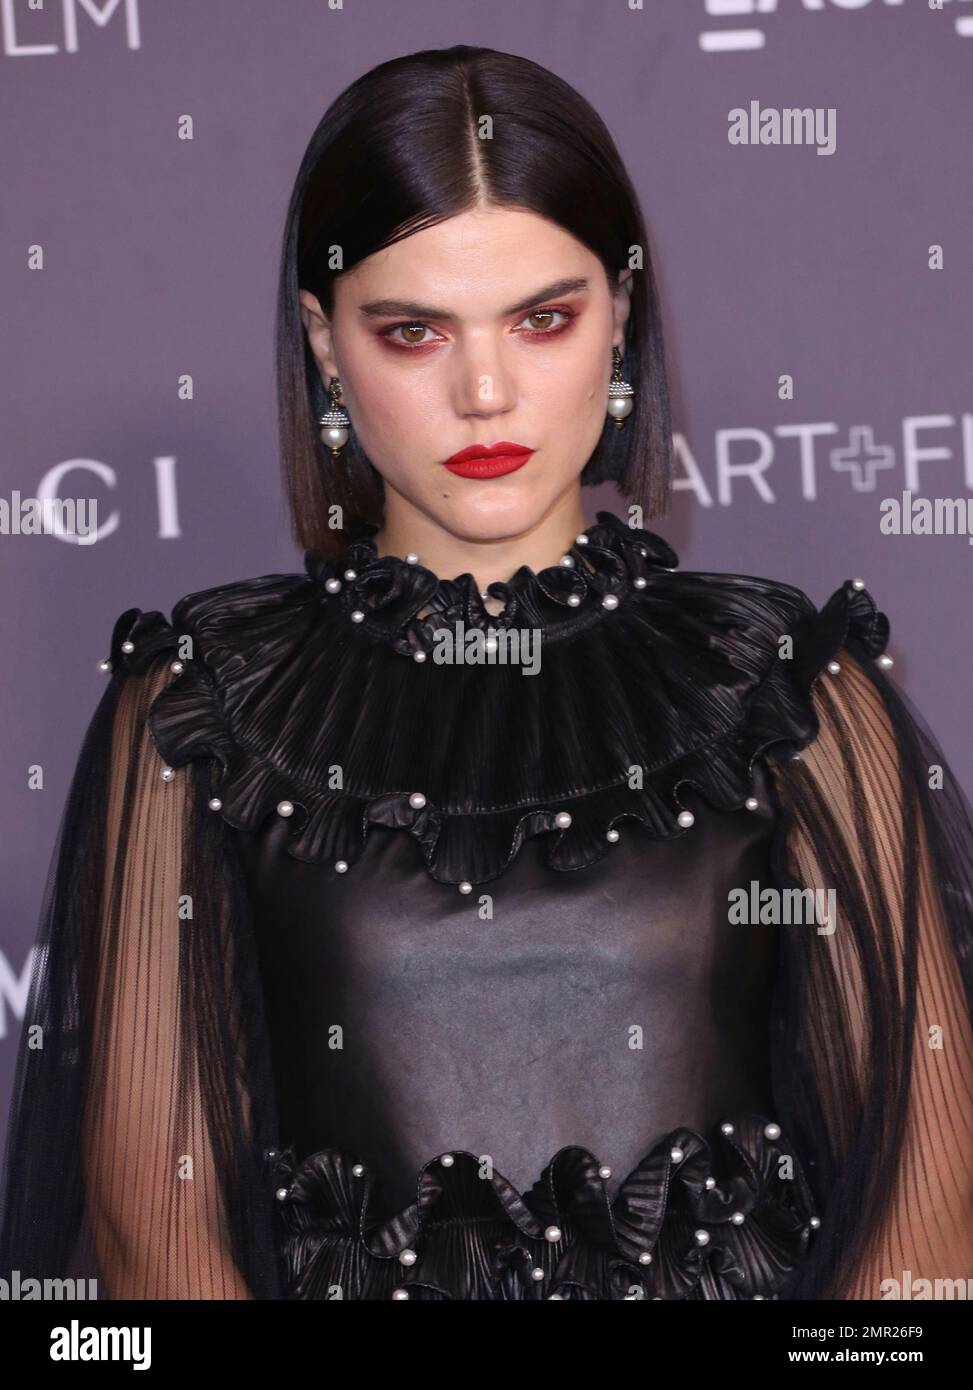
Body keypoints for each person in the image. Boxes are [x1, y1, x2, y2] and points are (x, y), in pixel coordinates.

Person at [2, 43, 972, 1303]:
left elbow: (930, 1210)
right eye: (412, 330)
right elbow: (155, 1244)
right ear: (325, 343)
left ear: (620, 315)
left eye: (543, 317)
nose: (485, 390)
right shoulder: (198, 708)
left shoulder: (789, 686)